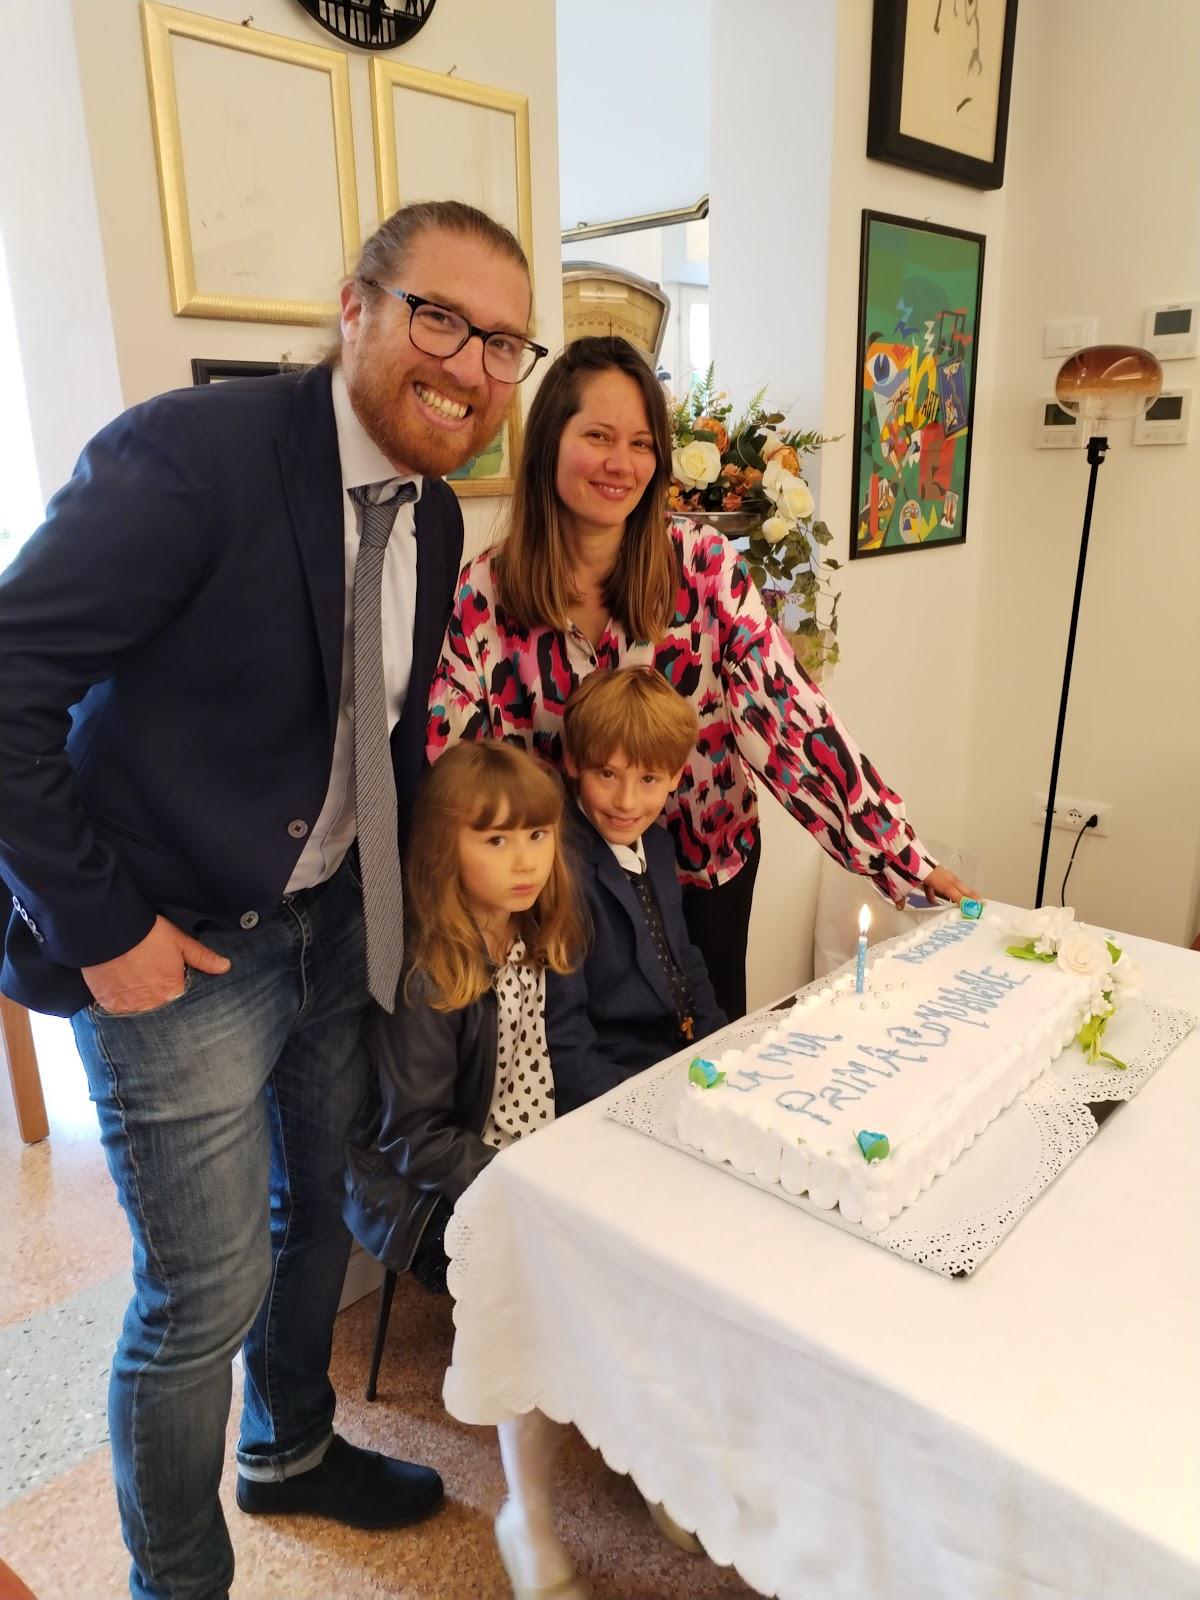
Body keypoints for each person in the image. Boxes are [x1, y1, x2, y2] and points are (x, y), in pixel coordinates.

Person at [0, 199, 548, 1600]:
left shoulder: (429, 509)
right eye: (441, 316)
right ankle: (177, 1580)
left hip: (333, 929)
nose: (473, 365)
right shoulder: (189, 461)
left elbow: (380, 730)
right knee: (201, 1293)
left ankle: (291, 1448)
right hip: (174, 951)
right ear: (353, 308)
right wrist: (101, 933)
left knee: (322, 1217)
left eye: (505, 342)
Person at [427, 334, 974, 1022]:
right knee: (583, 1083)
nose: (620, 464)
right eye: (598, 435)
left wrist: (897, 855)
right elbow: (453, 767)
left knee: (709, 1064)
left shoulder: (702, 565)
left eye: (642, 444)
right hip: (560, 891)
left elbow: (792, 721)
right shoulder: (486, 591)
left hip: (703, 873)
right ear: (548, 444)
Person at [342, 741, 589, 1600]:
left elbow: (566, 1061)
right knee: (542, 1286)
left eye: (538, 836)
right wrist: (526, 1190)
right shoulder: (431, 969)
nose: (524, 860)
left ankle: (663, 1464)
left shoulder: (536, 931)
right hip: (429, 1190)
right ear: (445, 849)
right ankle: (527, 1516)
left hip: (532, 1158)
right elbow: (414, 1137)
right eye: (495, 840)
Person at [546, 666, 725, 1108]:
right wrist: (639, 1106)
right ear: (573, 761)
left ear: (675, 775)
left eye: (647, 780)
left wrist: (723, 1050)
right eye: (607, 774)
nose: (626, 802)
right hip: (614, 1087)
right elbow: (563, 1037)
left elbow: (685, 962)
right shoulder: (559, 869)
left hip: (680, 1069)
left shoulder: (660, 847)